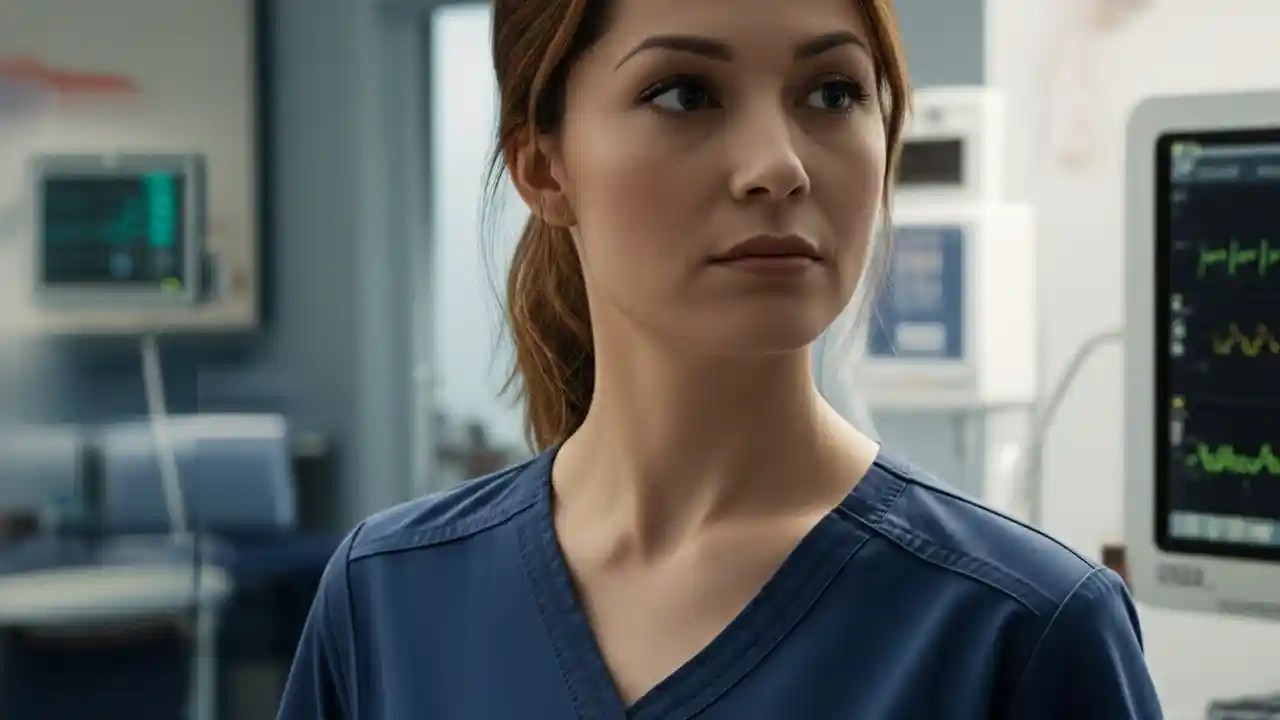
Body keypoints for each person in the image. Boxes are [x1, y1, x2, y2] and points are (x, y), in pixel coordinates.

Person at [278, 0, 1164, 717]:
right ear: (543, 165)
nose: (778, 167)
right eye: (683, 94)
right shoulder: (388, 601)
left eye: (832, 94)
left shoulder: (1018, 630)